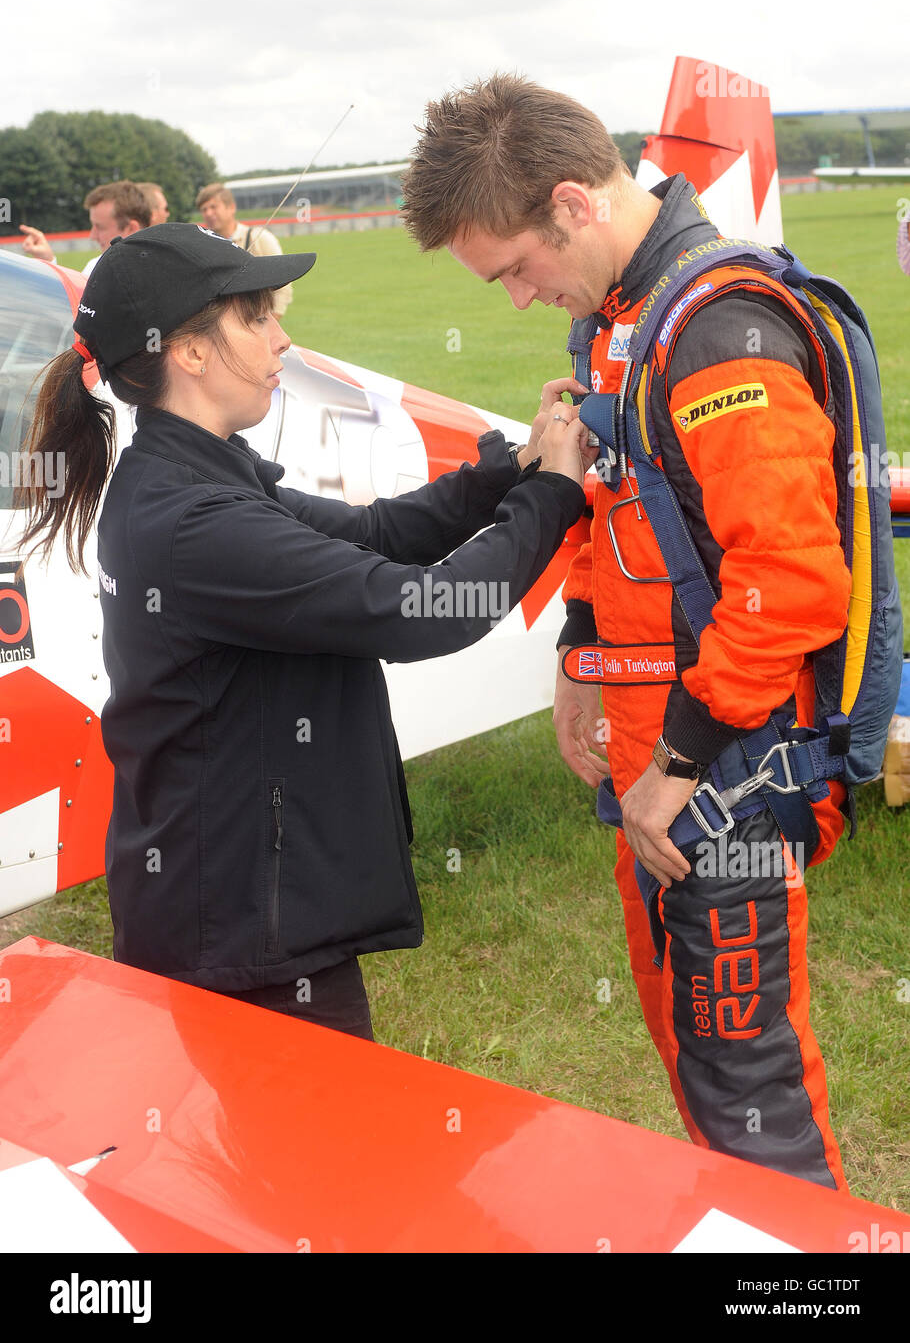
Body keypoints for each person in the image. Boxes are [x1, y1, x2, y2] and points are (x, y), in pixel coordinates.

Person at [401, 72, 853, 1189]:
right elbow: (632, 526)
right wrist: (582, 664)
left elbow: (788, 583)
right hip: (660, 771)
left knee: (755, 1112)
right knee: (701, 1070)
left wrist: (681, 766)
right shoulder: (620, 321)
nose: (513, 298)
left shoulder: (716, 335)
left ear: (572, 203)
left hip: (723, 783)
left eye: (514, 269)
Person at [16, 221, 591, 1041]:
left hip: (236, 909)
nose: (283, 336)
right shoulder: (195, 521)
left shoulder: (191, 471)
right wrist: (554, 495)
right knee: (303, 1164)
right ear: (189, 353)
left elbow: (373, 534)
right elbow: (428, 609)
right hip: (245, 939)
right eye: (256, 317)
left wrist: (506, 472)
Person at [19, 180, 152, 275]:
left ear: (131, 228)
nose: (92, 236)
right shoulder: (95, 266)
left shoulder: (163, 276)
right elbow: (72, 303)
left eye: (100, 227)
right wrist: (48, 261)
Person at [196, 184, 292, 316]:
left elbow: (283, 284)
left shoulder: (259, 238)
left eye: (213, 207)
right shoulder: (203, 247)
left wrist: (269, 323)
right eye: (204, 209)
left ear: (231, 207)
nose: (208, 213)